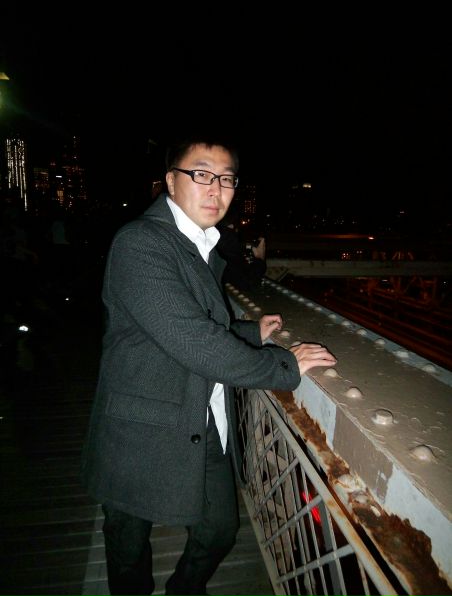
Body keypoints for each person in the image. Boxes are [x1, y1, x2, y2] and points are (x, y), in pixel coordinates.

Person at [81, 135, 337, 596]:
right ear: (170, 182)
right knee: (127, 542)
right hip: (139, 421)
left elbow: (191, 324)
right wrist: (284, 367)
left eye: (226, 179)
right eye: (201, 174)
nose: (215, 189)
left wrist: (249, 333)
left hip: (201, 414)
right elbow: (192, 339)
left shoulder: (202, 245)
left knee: (219, 529)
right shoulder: (140, 243)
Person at [216, 210, 267, 289]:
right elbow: (248, 283)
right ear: (231, 226)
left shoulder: (213, 243)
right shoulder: (227, 246)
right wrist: (259, 258)